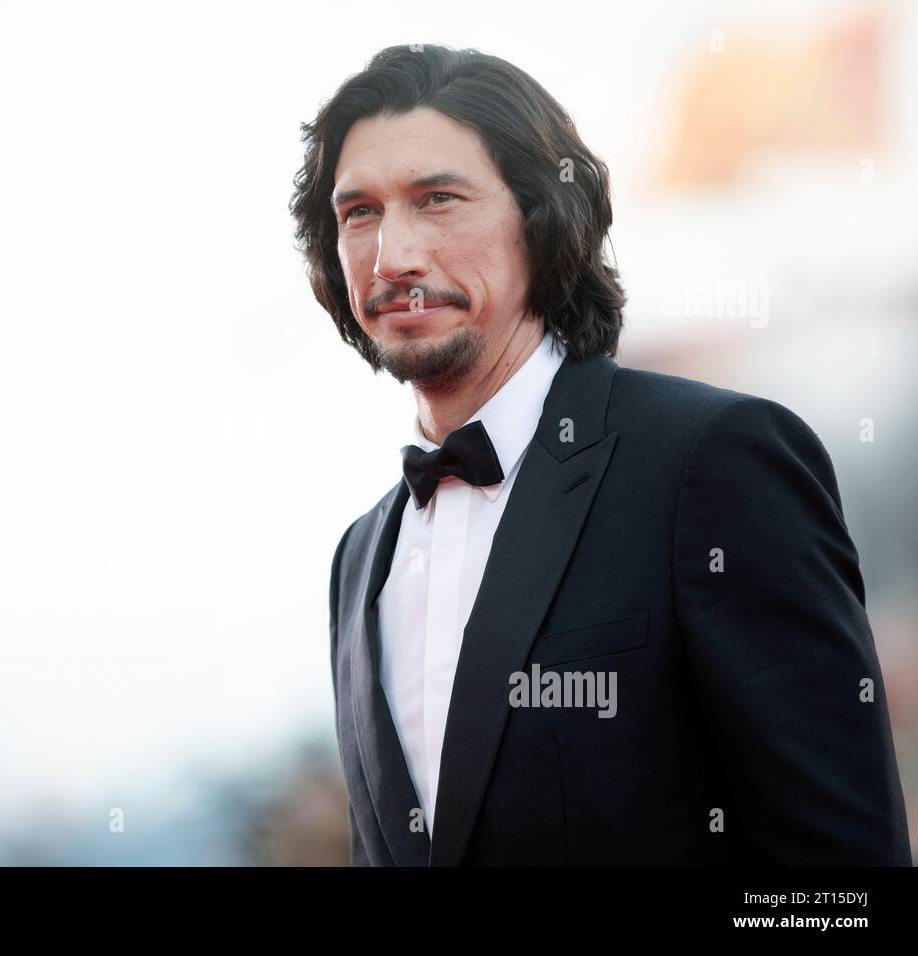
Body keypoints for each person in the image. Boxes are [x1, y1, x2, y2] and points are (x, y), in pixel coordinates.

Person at [290, 44, 910, 866]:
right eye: (358, 212)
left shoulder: (711, 461)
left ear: (545, 220)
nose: (391, 256)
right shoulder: (361, 556)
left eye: (438, 200)